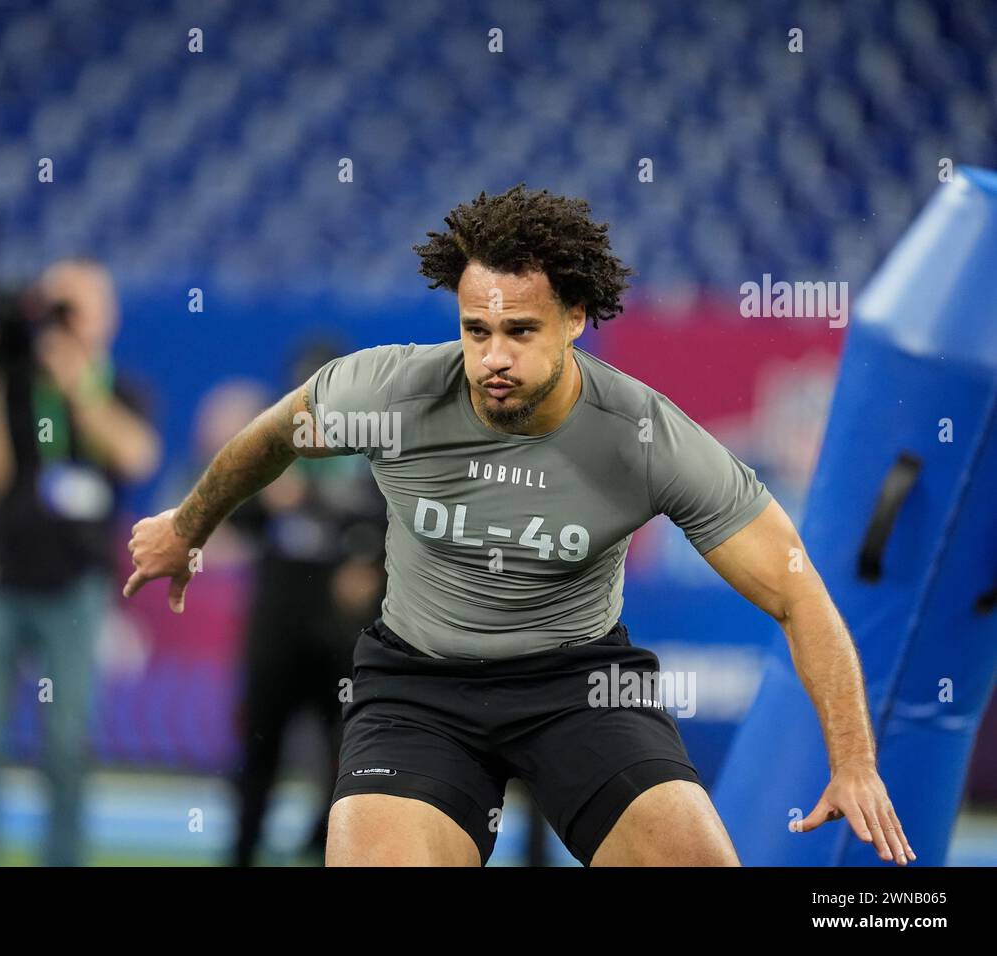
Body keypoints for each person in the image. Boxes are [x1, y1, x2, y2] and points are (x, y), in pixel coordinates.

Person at [123, 184, 916, 867]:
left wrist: (854, 763)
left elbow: (798, 592)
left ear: (574, 318)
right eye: (476, 331)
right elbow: (267, 439)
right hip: (418, 686)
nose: (493, 356)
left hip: (576, 685)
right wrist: (187, 528)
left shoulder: (642, 434)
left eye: (521, 332)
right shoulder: (391, 391)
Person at [0, 257, 160, 866]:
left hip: (75, 587)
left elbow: (135, 457)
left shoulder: (122, 388)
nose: (66, 322)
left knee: (68, 749)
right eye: (57, 305)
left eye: (80, 308)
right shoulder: (12, 381)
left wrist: (80, 388)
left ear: (108, 319)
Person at [225, 343, 386, 866]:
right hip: (279, 621)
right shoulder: (275, 445)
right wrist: (267, 493)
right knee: (259, 745)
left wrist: (369, 559)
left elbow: (399, 522)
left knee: (347, 751)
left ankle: (326, 846)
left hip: (344, 628)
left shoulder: (373, 447)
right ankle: (243, 849)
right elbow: (238, 521)